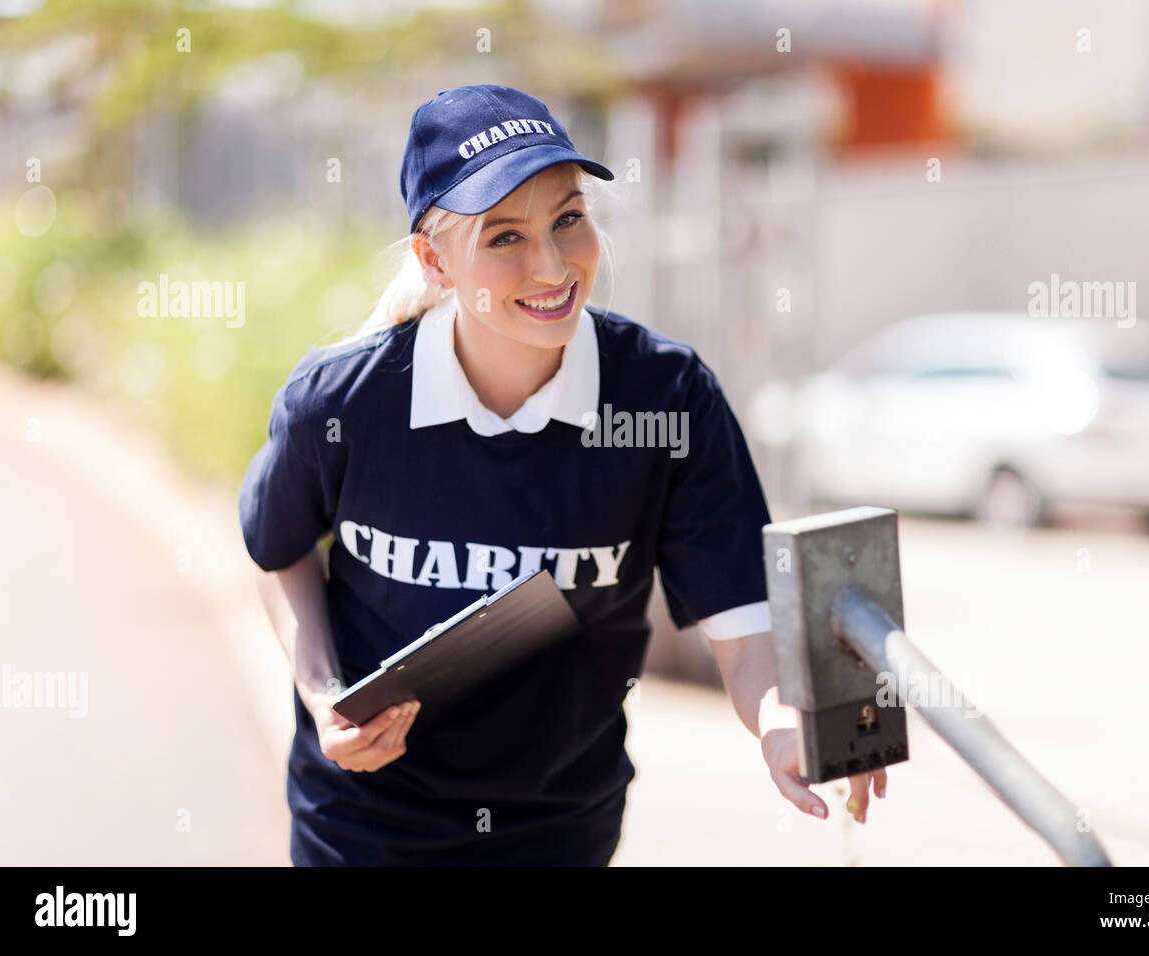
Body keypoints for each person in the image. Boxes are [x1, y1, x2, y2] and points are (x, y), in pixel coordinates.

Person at [238, 84, 886, 866]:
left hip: (560, 830)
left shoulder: (666, 400)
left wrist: (786, 721)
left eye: (568, 219)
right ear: (434, 259)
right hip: (363, 825)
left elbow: (745, 633)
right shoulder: (341, 401)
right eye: (504, 236)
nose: (552, 265)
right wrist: (321, 695)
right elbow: (279, 551)